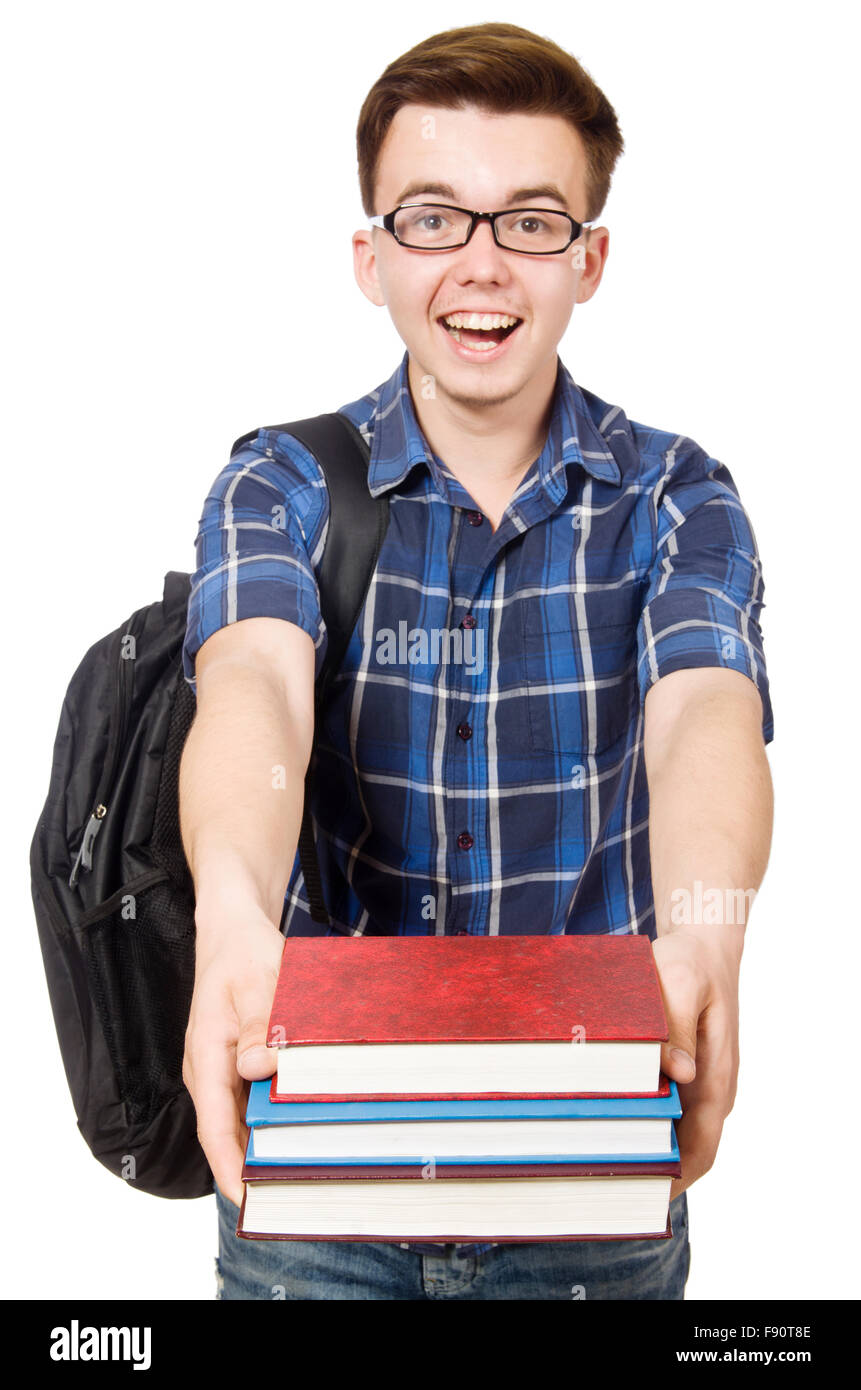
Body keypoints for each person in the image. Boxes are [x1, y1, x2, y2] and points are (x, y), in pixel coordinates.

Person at [178, 21, 774, 1300]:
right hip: (316, 1168)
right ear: (372, 256)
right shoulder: (279, 484)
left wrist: (710, 943)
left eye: (534, 222)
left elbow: (705, 716)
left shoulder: (679, 496)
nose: (483, 266)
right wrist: (231, 908)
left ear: (591, 257)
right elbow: (254, 690)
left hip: (593, 1167)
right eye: (435, 219)